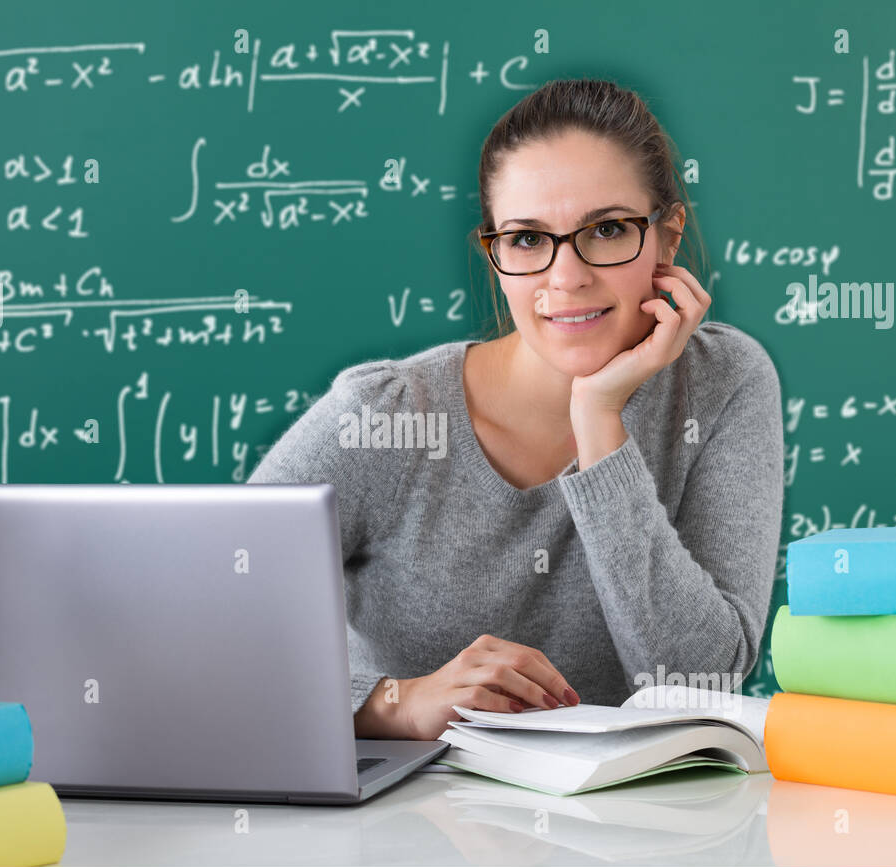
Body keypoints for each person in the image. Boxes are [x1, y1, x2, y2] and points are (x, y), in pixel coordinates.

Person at [248, 78, 783, 741]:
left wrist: (599, 422)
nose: (566, 278)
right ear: (495, 255)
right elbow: (208, 613)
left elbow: (702, 680)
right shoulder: (385, 415)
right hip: (400, 831)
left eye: (609, 229)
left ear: (667, 238)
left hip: (633, 831)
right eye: (528, 239)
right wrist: (395, 702)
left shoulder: (723, 383)